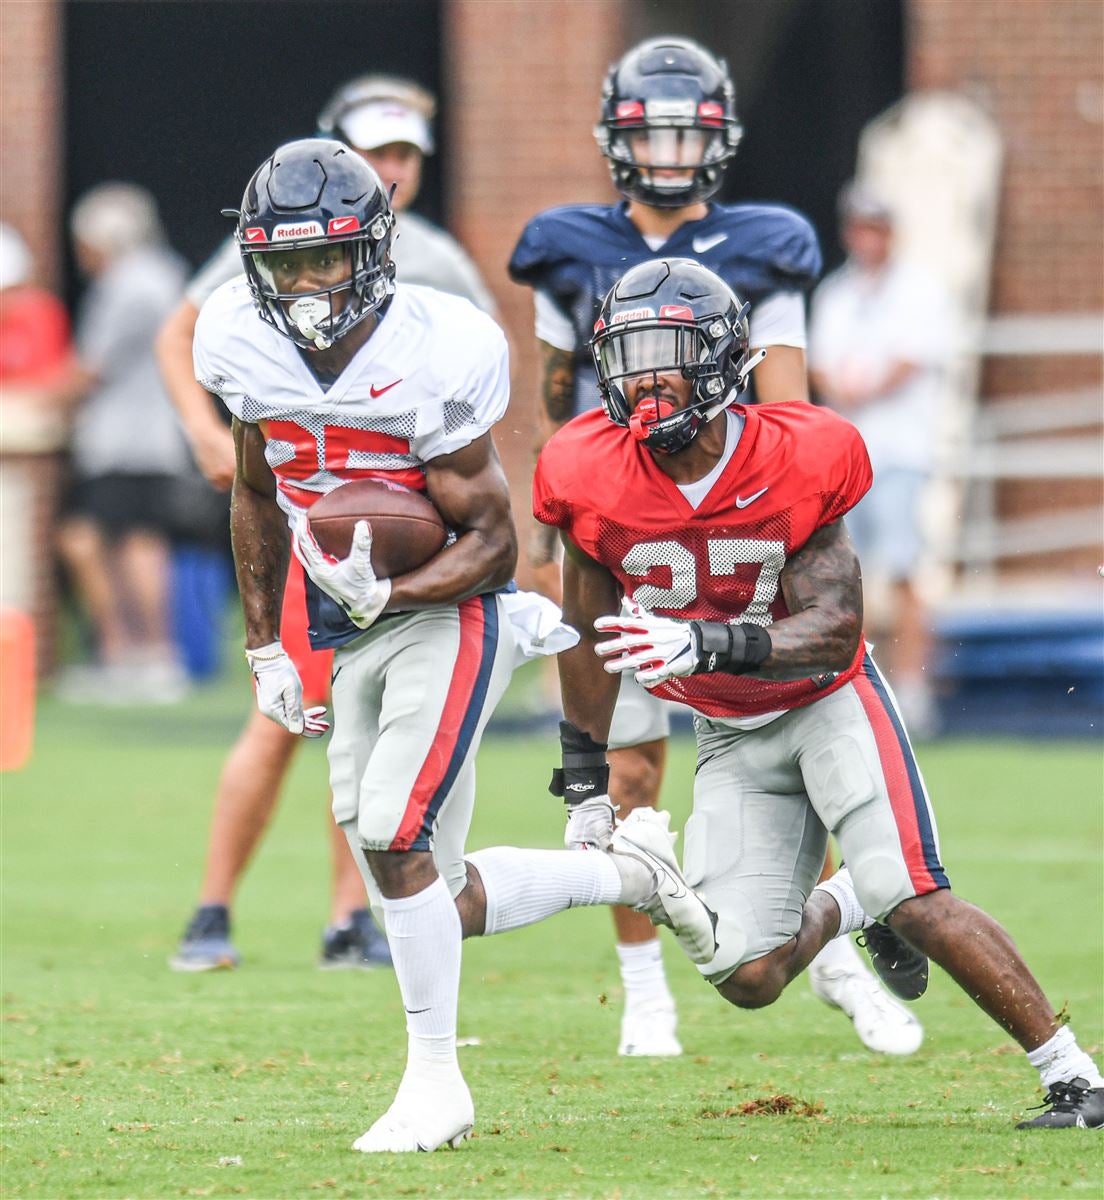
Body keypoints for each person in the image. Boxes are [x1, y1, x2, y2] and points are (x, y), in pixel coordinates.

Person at [193, 137, 718, 1154]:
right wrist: (267, 644)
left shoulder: (437, 348)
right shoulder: (236, 339)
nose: (304, 285)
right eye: (284, 264)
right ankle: (632, 877)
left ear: (374, 252)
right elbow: (257, 492)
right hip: (346, 625)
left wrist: (389, 584)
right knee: (429, 885)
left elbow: (491, 542)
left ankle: (437, 1083)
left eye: (324, 259)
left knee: (391, 837)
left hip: (450, 612)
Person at [532, 256, 1104, 1131]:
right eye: (627, 356)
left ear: (721, 362)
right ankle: (847, 905)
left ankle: (1074, 1077)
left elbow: (837, 626)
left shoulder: (799, 453)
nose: (644, 379)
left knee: (915, 898)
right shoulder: (586, 469)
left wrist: (703, 639)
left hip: (827, 700)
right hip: (728, 730)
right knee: (747, 975)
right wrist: (583, 775)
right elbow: (585, 630)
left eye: (666, 354)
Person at [509, 35, 917, 1058]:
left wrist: (775, 546)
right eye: (658, 132)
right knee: (627, 778)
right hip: (627, 543)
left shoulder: (766, 242)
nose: (677, 152)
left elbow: (788, 411)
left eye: (694, 131)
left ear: (723, 137)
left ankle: (826, 935)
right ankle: (645, 991)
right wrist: (551, 535)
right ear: (616, 137)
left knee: (794, 758)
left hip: (740, 542)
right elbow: (562, 409)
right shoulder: (565, 246)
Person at [162, 75, 496, 972]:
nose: (307, 283)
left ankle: (355, 915)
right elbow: (252, 476)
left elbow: (476, 465)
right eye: (373, 149)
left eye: (402, 154)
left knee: (377, 761)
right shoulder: (240, 316)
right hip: (314, 540)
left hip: (406, 549)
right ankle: (211, 909)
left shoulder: (445, 286)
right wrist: (211, 439)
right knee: (281, 727)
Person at [809, 182, 950, 738]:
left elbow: (911, 359)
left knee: (906, 569)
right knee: (852, 574)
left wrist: (860, 386)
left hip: (901, 449)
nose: (868, 238)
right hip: (851, 458)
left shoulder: (920, 291)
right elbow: (821, 365)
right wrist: (847, 385)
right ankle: (860, 683)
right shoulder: (837, 293)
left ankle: (914, 688)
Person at [50, 184, 192, 703]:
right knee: (128, 540)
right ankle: (140, 655)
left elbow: (90, 367)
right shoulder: (166, 274)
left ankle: (139, 654)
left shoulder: (131, 284)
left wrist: (44, 391)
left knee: (122, 541)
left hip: (126, 440)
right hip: (152, 435)